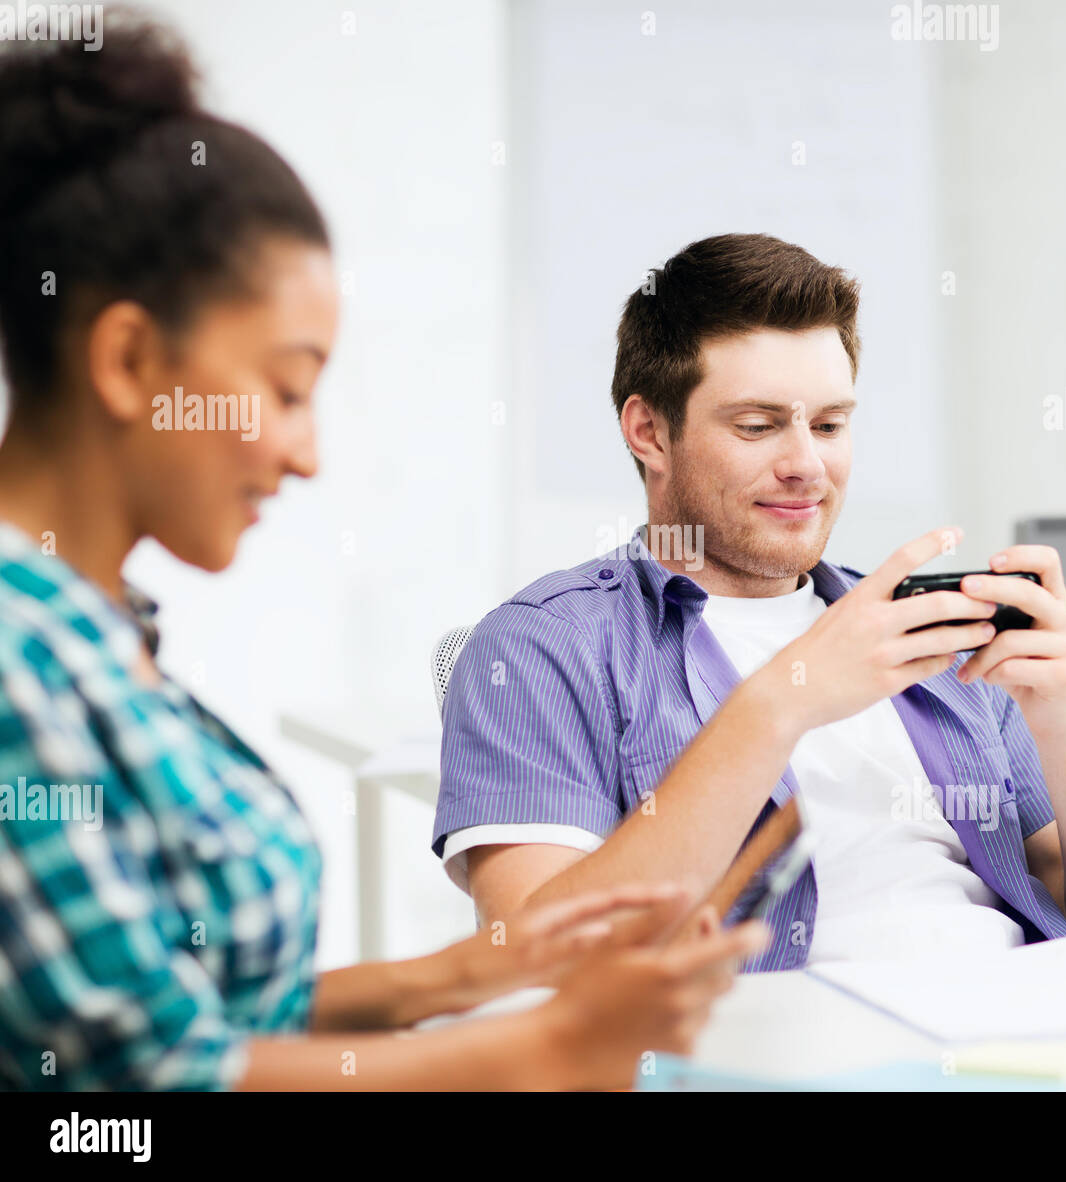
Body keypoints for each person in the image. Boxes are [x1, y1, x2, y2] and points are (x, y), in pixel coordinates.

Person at [0, 15, 766, 1092]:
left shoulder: (99, 632)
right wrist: (545, 1048)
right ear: (129, 360)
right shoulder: (18, 659)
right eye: (286, 387)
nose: (306, 453)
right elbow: (159, 1081)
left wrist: (448, 978)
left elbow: (178, 997)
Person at [433, 232, 1066, 970]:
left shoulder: (927, 632)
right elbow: (529, 960)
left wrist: (1062, 720)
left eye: (829, 425)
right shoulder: (540, 648)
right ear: (649, 433)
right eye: (758, 427)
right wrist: (785, 702)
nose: (806, 465)